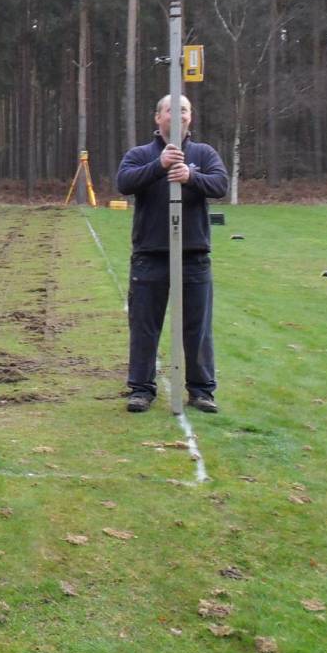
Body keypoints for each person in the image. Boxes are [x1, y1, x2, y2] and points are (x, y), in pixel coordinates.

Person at [115, 94, 229, 413]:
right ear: (158, 118)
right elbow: (123, 183)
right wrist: (159, 165)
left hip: (193, 256)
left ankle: (202, 390)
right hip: (150, 256)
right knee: (144, 327)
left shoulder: (203, 154)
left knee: (198, 327)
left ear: (190, 116)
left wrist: (192, 177)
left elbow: (220, 184)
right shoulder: (139, 155)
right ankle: (141, 388)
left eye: (183, 109)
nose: (177, 114)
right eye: (170, 110)